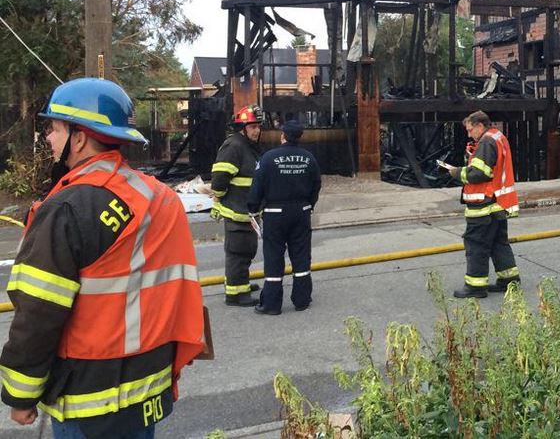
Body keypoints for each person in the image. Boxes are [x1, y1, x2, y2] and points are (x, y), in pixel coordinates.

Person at [0, 78, 205, 438]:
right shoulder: (161, 197)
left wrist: (20, 395)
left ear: (79, 137)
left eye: (55, 128)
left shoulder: (67, 208)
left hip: (89, 401)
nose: (48, 137)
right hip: (149, 389)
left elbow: (39, 312)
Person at [247, 120, 322, 315]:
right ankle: (302, 300)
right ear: (300, 137)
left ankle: (271, 304)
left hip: (275, 214)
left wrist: (252, 208)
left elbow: (258, 186)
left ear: (283, 136)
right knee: (301, 256)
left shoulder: (268, 158)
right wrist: (309, 205)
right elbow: (316, 184)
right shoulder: (309, 158)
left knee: (273, 257)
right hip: (301, 213)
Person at [446, 111, 521, 298]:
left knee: (476, 245)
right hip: (498, 203)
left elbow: (479, 173)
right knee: (498, 243)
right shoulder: (498, 137)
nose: (469, 134)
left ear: (480, 125)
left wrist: (457, 172)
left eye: (471, 130)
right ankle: (509, 281)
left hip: (484, 205)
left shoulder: (486, 142)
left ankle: (475, 286)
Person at [211, 104, 264, 306]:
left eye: (258, 126)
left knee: (247, 250)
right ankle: (235, 294)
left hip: (246, 211)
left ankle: (240, 283)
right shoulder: (234, 146)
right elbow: (219, 179)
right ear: (242, 128)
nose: (257, 130)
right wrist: (219, 198)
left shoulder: (248, 146)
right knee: (238, 252)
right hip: (236, 211)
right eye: (252, 126)